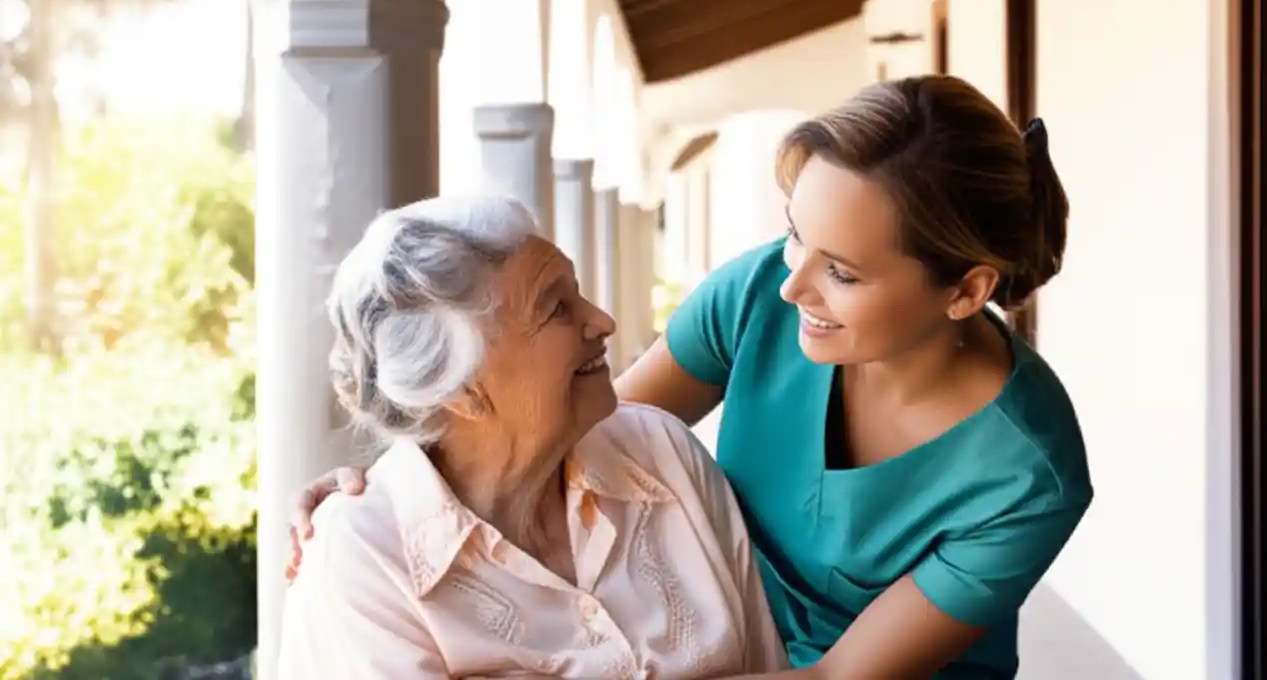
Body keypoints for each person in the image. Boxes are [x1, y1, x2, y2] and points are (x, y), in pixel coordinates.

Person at [288, 75, 1094, 679]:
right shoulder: (761, 302)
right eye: (793, 235)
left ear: (965, 291)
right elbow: (558, 434)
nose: (791, 286)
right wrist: (397, 488)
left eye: (841, 271)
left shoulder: (1028, 475)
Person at [277, 196, 787, 679]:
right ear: (461, 389)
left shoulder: (663, 452)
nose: (602, 321)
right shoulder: (364, 561)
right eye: (557, 308)